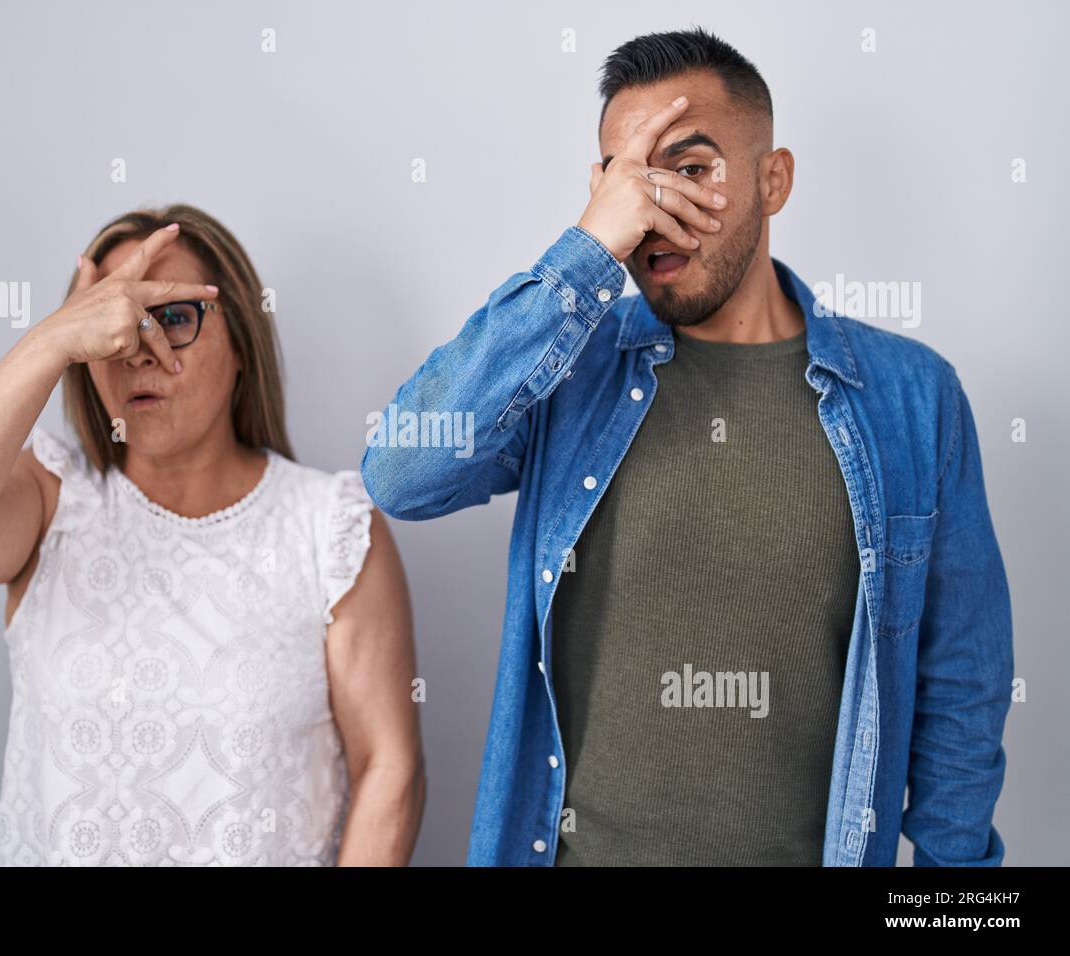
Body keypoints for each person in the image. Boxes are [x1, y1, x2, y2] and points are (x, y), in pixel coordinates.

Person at [361, 28, 1012, 867]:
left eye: (694, 169)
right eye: (633, 178)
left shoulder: (912, 398)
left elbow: (962, 686)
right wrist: (586, 254)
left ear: (773, 181)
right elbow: (402, 473)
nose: (658, 212)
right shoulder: (573, 369)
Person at [0, 205, 423, 866]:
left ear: (242, 340)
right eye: (112, 322)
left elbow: (387, 772)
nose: (138, 350)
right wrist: (48, 341)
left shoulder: (330, 528)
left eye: (172, 316)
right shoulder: (52, 502)